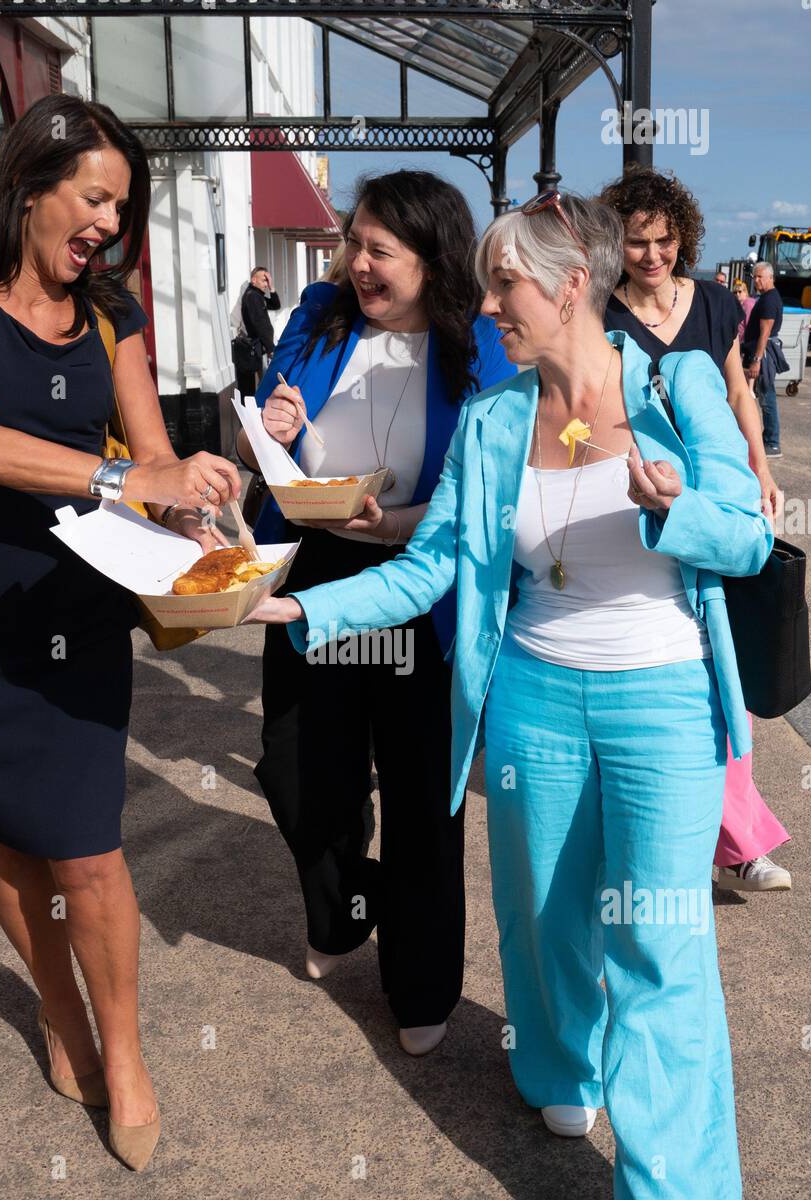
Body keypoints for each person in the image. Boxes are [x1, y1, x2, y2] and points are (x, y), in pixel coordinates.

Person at [247, 190, 773, 1200]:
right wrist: (299, 610)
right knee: (540, 917)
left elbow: (746, 536)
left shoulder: (674, 390)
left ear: (571, 284)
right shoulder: (493, 422)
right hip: (533, 698)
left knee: (660, 947)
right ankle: (555, 1062)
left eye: (503, 286)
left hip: (661, 701)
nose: (486, 307)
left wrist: (675, 504)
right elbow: (428, 565)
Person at [0, 94, 240, 1172]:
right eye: (93, 196)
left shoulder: (110, 312)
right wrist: (124, 474)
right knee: (7, 838)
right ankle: (59, 1015)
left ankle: (126, 1054)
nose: (106, 222)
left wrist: (197, 507)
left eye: (120, 206)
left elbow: (151, 452)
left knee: (88, 850)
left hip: (76, 604)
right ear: (30, 184)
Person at [235, 170, 512, 1056]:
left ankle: (422, 977)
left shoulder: (484, 351)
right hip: (315, 567)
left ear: (433, 261)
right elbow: (265, 424)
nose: (357, 262)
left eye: (378, 250)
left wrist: (394, 521)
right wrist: (273, 422)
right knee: (295, 769)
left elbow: (486, 497)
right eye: (353, 241)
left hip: (422, 587)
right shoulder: (318, 314)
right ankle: (351, 902)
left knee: (425, 794)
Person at [600, 166, 790, 892]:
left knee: (725, 666)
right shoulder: (598, 311)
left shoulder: (713, 301)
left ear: (684, 236)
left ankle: (740, 839)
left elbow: (740, 389)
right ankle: (706, 834)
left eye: (664, 240)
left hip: (711, 498)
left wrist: (761, 471)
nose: (652, 255)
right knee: (677, 671)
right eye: (637, 241)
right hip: (640, 503)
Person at [743, 261, 785, 459]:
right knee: (766, 397)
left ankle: (772, 443)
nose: (756, 280)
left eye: (760, 277)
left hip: (764, 353)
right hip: (762, 351)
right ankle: (768, 438)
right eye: (755, 277)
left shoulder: (769, 300)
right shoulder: (768, 297)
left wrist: (757, 360)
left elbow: (765, 331)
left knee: (767, 399)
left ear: (770, 277)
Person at [235, 266, 281, 397]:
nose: (266, 284)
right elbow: (260, 325)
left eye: (267, 281)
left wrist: (272, 287)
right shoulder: (252, 297)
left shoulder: (257, 295)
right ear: (253, 280)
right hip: (257, 348)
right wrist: (270, 348)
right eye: (264, 280)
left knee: (263, 383)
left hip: (260, 347)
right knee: (264, 384)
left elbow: (276, 305)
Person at [732, 278, 755, 343]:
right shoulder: (738, 304)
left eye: (740, 291)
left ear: (745, 292)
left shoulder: (748, 304)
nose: (737, 294)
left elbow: (749, 325)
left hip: (745, 341)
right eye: (735, 292)